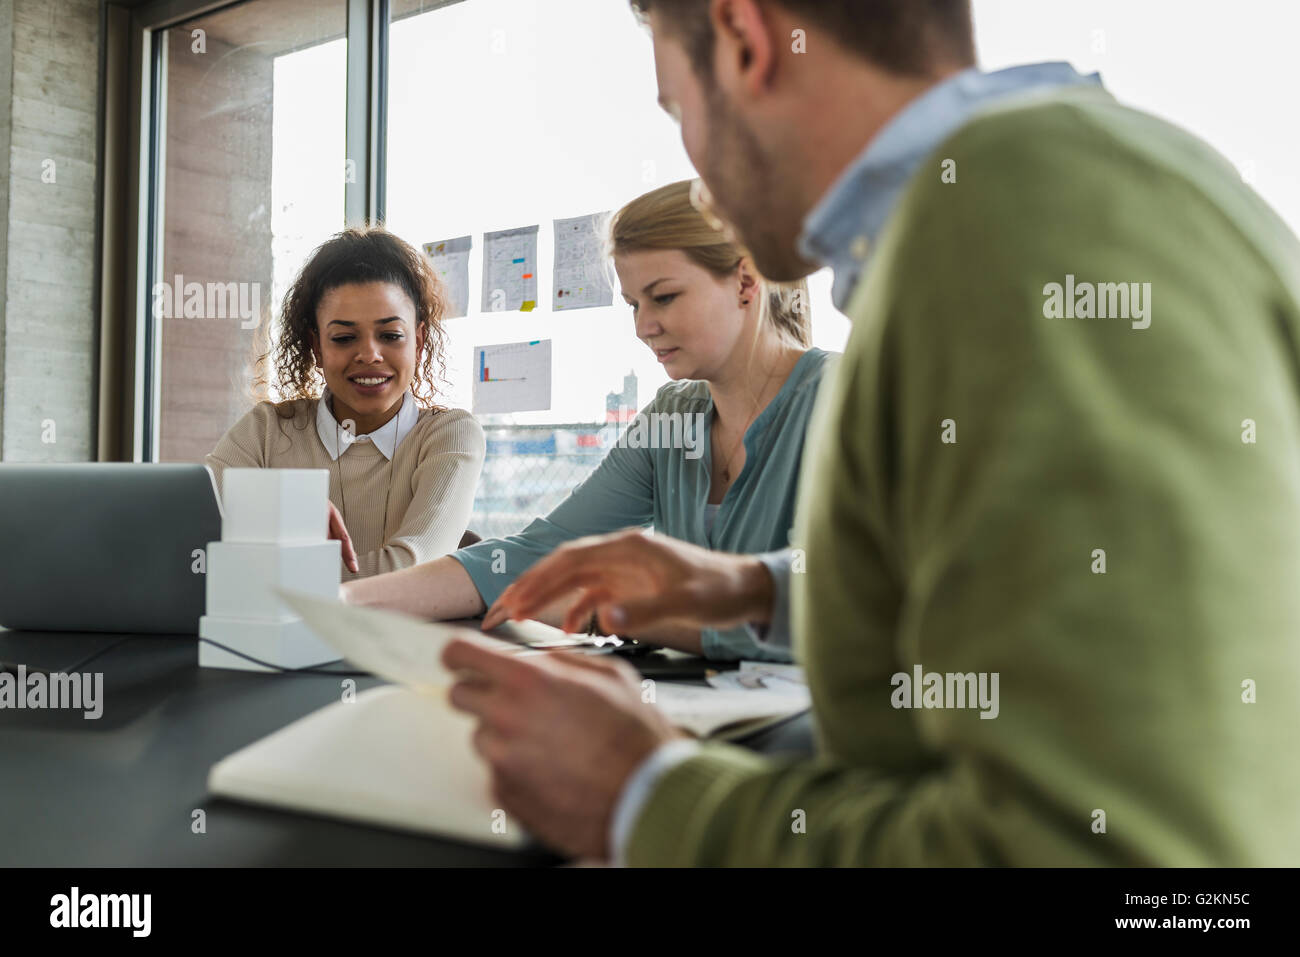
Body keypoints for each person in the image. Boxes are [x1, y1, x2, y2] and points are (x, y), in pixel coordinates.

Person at [441, 0, 1300, 866]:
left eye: (679, 112)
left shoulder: (1018, 219)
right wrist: (760, 592)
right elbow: (1024, 603)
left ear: (745, 38)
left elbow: (1104, 857)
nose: (701, 177)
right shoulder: (1076, 182)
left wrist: (647, 796)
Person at [343, 180, 830, 662]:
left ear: (746, 283)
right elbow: (541, 551)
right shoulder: (672, 417)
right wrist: (345, 605)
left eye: (664, 297)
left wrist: (608, 612)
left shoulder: (840, 400)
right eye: (635, 305)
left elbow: (833, 601)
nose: (644, 328)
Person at [206, 226, 485, 579]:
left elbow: (410, 574)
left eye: (390, 336)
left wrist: (269, 574)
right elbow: (190, 538)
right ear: (317, 347)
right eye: (344, 337)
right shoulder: (265, 432)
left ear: (419, 340)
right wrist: (280, 504)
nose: (369, 355)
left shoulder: (450, 436)